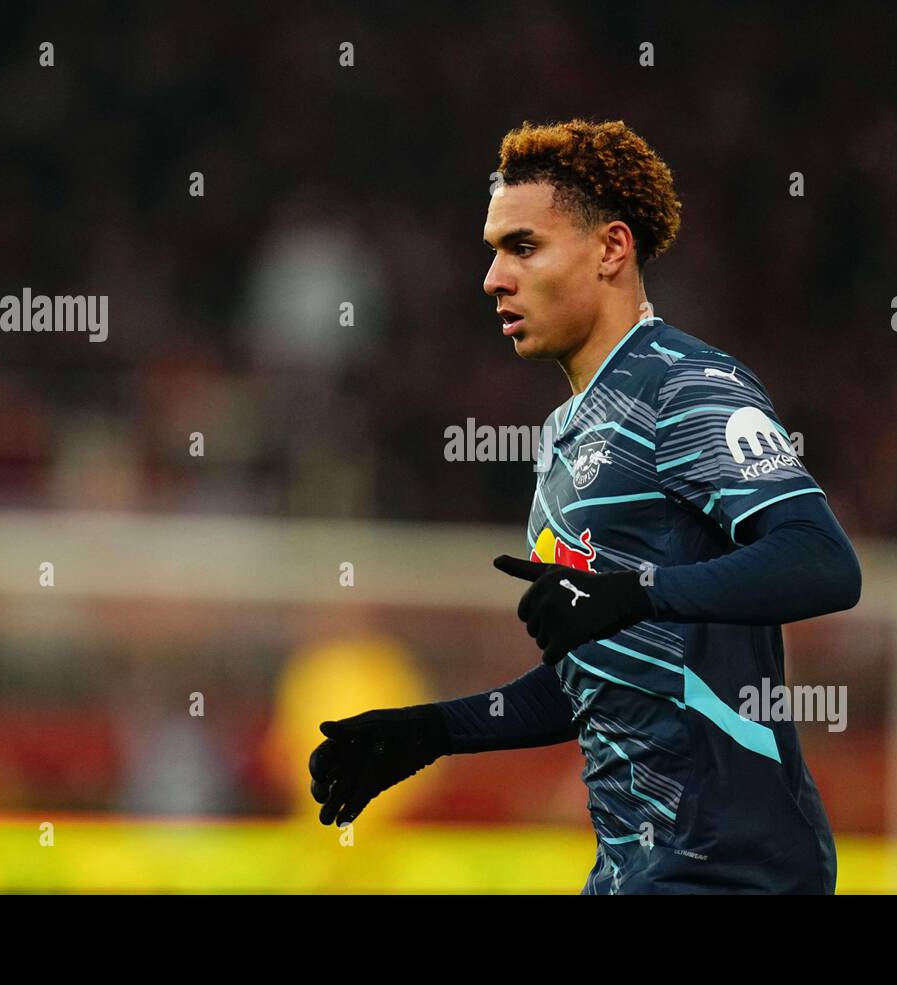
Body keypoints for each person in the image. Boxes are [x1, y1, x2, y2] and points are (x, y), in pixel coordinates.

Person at [309, 119, 861, 894]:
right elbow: (605, 671)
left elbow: (822, 560)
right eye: (494, 250)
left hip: (731, 870)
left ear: (610, 249)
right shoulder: (566, 434)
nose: (493, 277)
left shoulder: (686, 386)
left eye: (523, 246)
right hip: (633, 870)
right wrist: (435, 731)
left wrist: (636, 592)